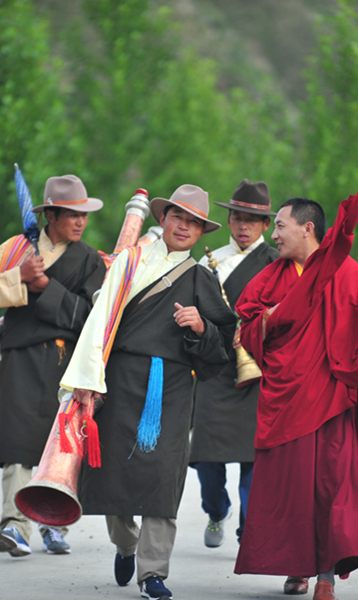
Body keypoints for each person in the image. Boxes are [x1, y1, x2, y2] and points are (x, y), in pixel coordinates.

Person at [60, 184, 237, 600]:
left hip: (171, 388)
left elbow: (224, 344)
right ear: (164, 219)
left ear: (200, 233)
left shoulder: (200, 277)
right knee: (114, 474)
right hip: (119, 380)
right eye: (179, 217)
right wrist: (86, 381)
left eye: (194, 223)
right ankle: (126, 544)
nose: (185, 227)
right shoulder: (131, 261)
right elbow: (99, 319)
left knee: (162, 479)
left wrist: (202, 328)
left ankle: (153, 572)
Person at [233, 192, 358, 600]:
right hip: (286, 399)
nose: (273, 234)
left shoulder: (345, 272)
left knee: (332, 486)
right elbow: (248, 325)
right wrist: (272, 317)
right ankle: (297, 568)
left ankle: (326, 575)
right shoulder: (272, 276)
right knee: (289, 487)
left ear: (307, 228)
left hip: (330, 400)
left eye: (280, 225)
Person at [0, 174, 106, 558]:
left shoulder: (91, 259)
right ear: (50, 215)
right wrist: (19, 277)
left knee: (60, 446)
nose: (80, 223)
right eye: (72, 215)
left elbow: (91, 317)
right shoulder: (17, 249)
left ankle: (53, 523)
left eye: (84, 216)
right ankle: (14, 526)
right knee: (18, 443)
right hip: (20, 358)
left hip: (67, 362)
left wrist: (47, 289)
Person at [190, 179, 279, 548]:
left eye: (252, 220)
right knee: (207, 461)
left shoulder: (278, 263)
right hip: (215, 369)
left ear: (266, 226)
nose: (244, 226)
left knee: (253, 465)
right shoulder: (207, 264)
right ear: (229, 221)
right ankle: (216, 510)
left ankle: (248, 530)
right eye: (238, 218)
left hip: (259, 372)